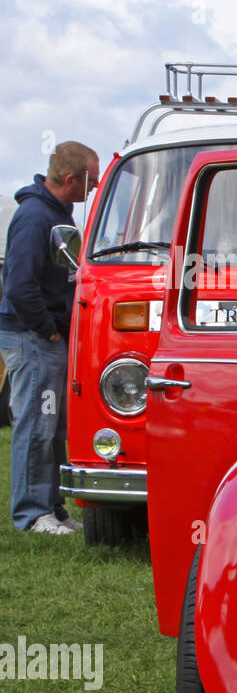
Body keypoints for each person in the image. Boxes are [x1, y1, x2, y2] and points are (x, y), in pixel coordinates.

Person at [0, 141, 99, 534]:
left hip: (43, 337)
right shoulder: (34, 217)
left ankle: (52, 508)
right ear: (71, 178)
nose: (92, 188)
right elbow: (20, 286)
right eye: (89, 180)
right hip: (33, 338)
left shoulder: (53, 215)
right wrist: (49, 328)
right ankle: (30, 513)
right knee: (36, 423)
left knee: (53, 425)